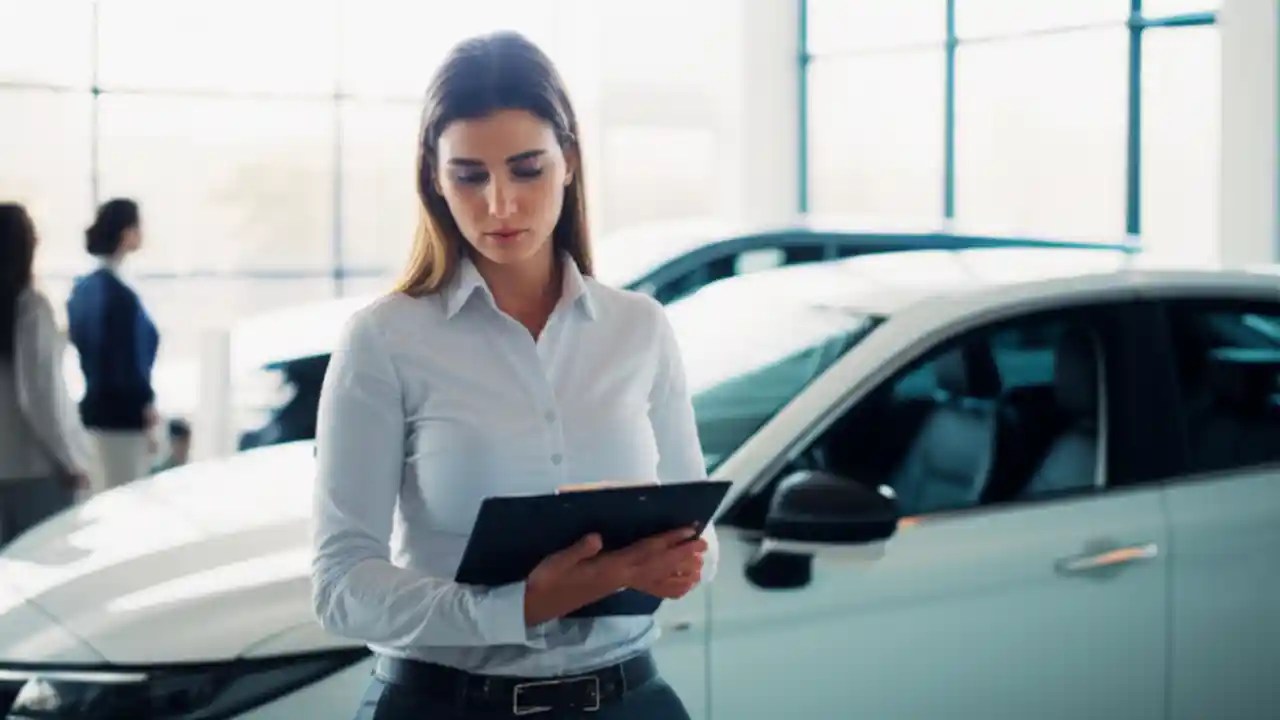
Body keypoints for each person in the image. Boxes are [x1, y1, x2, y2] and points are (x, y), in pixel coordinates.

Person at [311, 32, 717, 720]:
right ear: (434, 178)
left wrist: (682, 562)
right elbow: (341, 586)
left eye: (527, 170)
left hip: (628, 700)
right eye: (470, 176)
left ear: (570, 162)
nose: (500, 204)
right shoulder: (383, 340)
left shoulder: (639, 328)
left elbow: (697, 525)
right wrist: (520, 606)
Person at [0, 204, 91, 547]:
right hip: (34, 469)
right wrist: (70, 459)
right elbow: (40, 394)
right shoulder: (30, 307)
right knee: (42, 564)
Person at [66, 198, 159, 493]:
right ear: (126, 232)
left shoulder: (83, 289)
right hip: (122, 416)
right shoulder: (119, 295)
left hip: (95, 412)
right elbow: (126, 361)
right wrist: (145, 405)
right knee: (125, 494)